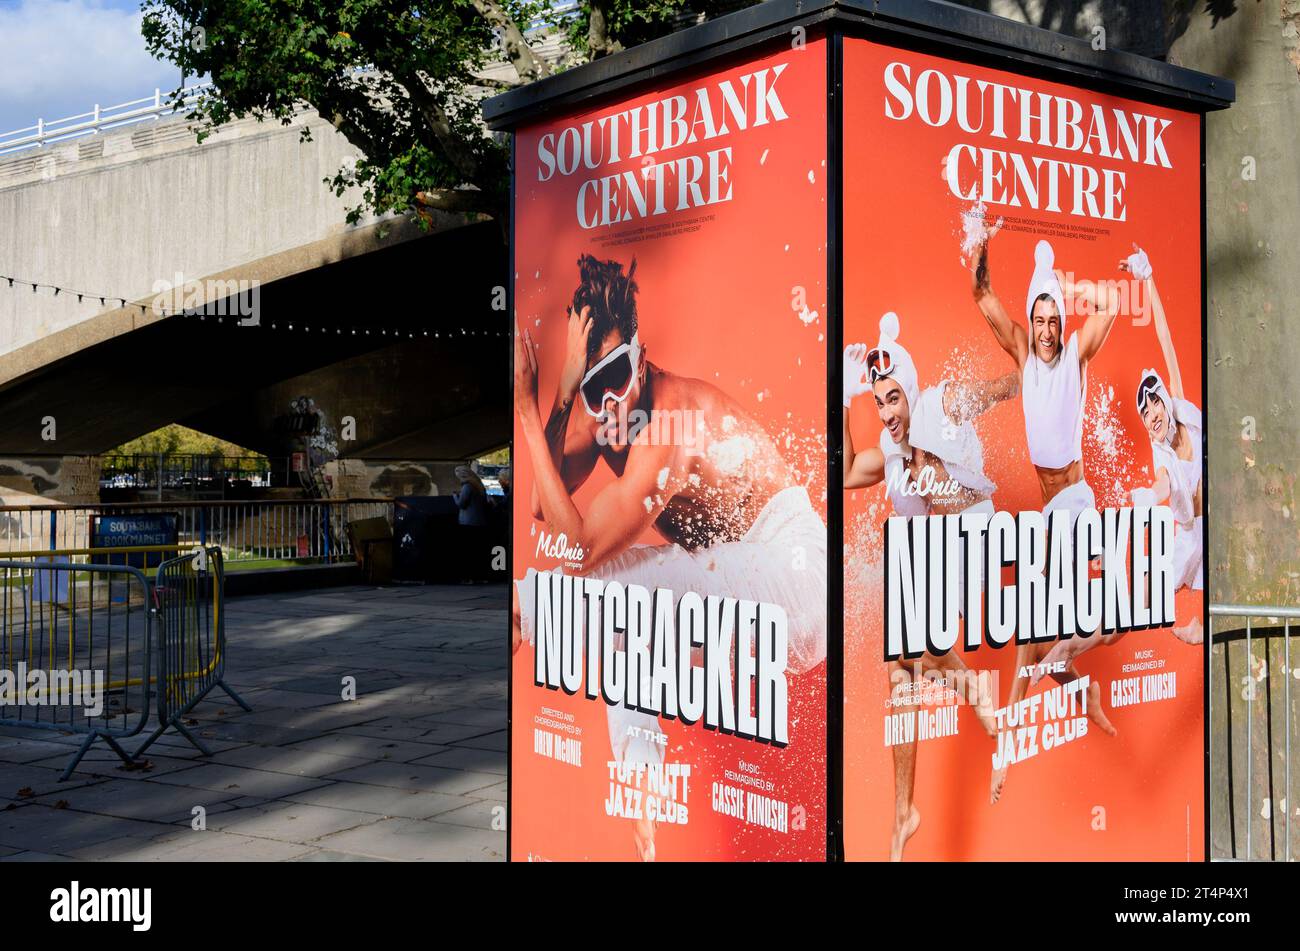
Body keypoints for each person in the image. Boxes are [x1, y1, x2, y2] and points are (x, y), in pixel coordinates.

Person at [513, 253, 827, 861]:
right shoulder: (604, 411)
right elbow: (537, 504)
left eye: (615, 377)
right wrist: (558, 397)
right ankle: (642, 780)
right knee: (625, 617)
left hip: (797, 580)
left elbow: (574, 551)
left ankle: (525, 611)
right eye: (592, 385)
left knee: (623, 584)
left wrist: (527, 414)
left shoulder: (672, 425)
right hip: (738, 582)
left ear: (642, 354)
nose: (606, 403)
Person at [843, 312, 1018, 860]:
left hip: (976, 536)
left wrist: (1034, 373)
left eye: (895, 397)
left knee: (915, 649)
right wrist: (841, 396)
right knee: (900, 672)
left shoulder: (943, 405)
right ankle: (904, 811)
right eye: (880, 402)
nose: (888, 411)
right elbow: (845, 471)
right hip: (937, 556)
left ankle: (982, 703)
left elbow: (1001, 388)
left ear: (912, 392)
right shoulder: (891, 454)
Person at [968, 227, 1122, 804]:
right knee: (1032, 641)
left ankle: (1060, 673)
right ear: (1031, 325)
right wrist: (979, 249)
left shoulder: (1075, 356)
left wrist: (1071, 286)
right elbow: (983, 298)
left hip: (1078, 501)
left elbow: (1109, 306)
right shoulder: (1024, 355)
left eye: (1054, 320)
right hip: (1049, 511)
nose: (1048, 330)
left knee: (1108, 623)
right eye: (1041, 320)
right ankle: (1032, 732)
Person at [1034, 245, 1205, 674]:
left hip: (1211, 536)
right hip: (1186, 541)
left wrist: (1147, 278)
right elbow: (1164, 485)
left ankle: (1205, 618)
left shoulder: (1187, 413)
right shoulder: (1162, 458)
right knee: (1122, 619)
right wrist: (1150, 494)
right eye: (1144, 415)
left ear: (1165, 400)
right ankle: (1063, 653)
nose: (1151, 417)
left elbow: (1164, 339)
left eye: (1154, 407)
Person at [454, 465, 491, 582]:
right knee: (479, 552)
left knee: (468, 552)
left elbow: (461, 504)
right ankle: (481, 576)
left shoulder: (467, 487)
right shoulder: (479, 486)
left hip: (468, 523)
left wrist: (454, 496)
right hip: (481, 522)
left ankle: (469, 577)